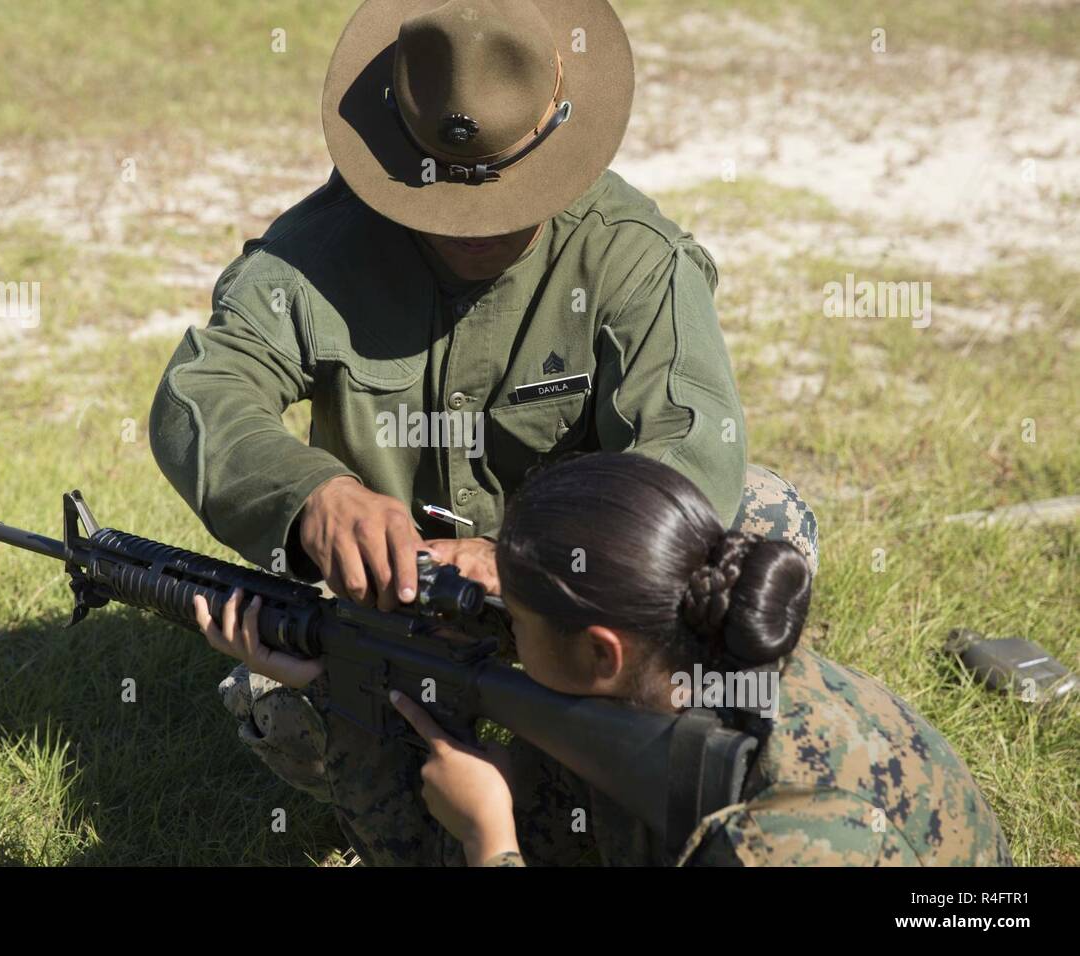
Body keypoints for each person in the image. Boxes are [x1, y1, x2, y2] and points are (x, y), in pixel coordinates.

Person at [151, 1, 814, 809]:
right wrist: (311, 496)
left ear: (557, 127)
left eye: (505, 199)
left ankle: (616, 755)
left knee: (767, 514)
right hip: (399, 604)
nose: (473, 231)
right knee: (283, 711)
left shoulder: (633, 258)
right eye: (447, 206)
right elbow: (203, 392)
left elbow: (690, 442)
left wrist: (537, 560)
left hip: (578, 602)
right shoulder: (315, 254)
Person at [196, 453, 1013, 866]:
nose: (490, 627)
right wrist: (350, 688)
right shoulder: (688, 674)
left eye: (510, 616)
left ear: (600, 651)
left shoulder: (785, 838)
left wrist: (492, 840)